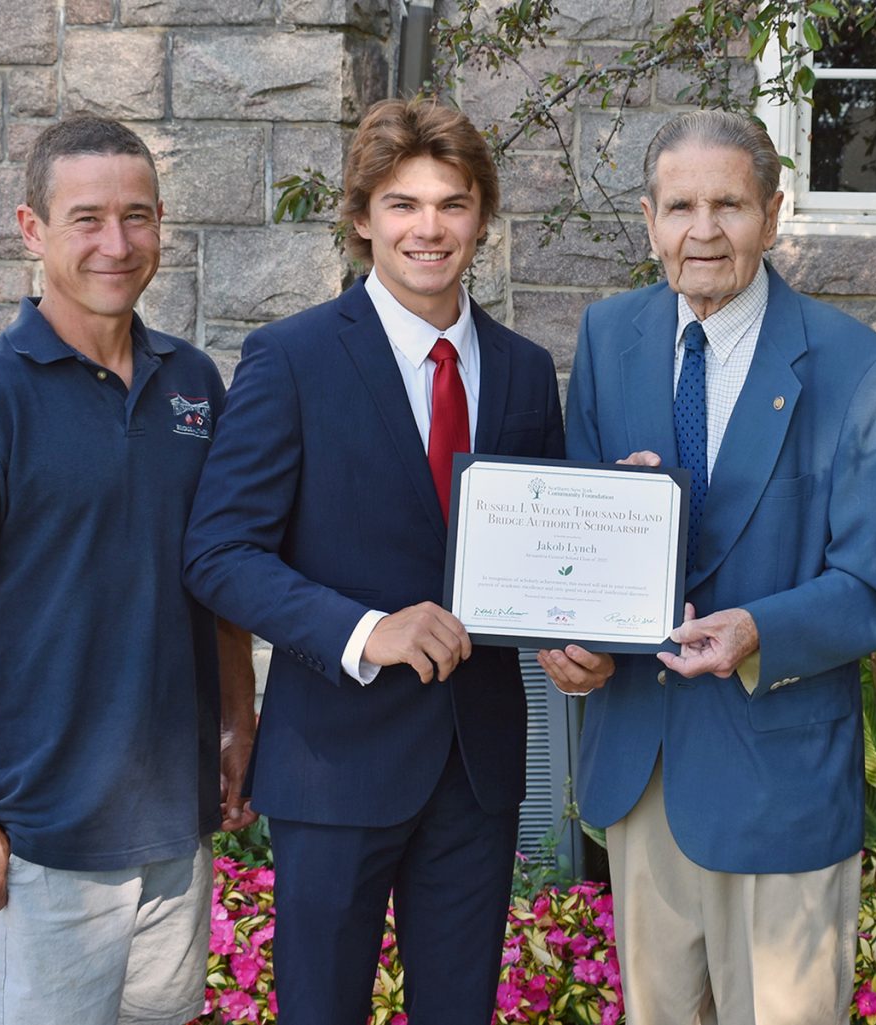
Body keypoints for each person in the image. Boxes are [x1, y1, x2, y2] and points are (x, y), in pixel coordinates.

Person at [181, 97, 608, 1025]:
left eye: (452, 204)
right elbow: (218, 553)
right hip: (335, 762)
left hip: (479, 764)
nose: (429, 228)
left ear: (482, 219)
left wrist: (587, 624)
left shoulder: (527, 368)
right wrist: (369, 630)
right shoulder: (291, 359)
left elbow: (543, 553)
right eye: (403, 204)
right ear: (363, 216)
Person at [0, 115, 259, 1025]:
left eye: (137, 217)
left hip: (177, 822)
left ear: (162, 224)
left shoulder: (195, 385)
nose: (116, 244)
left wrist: (240, 719)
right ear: (31, 228)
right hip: (48, 835)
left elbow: (221, 573)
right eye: (87, 218)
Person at [564, 109, 876, 1024]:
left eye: (729, 204)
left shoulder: (857, 367)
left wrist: (758, 628)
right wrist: (578, 644)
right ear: (649, 220)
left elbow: (873, 591)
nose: (703, 230)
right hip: (642, 771)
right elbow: (580, 554)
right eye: (680, 206)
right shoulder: (610, 338)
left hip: (779, 783)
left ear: (773, 212)